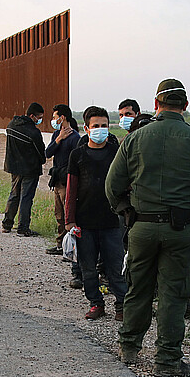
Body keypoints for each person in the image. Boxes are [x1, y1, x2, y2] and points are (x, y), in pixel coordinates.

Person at [106, 79, 190, 377]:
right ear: (185, 105)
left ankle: (129, 348)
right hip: (180, 230)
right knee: (174, 294)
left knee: (138, 288)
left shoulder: (135, 139)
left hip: (141, 227)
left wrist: (126, 211)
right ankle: (167, 360)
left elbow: (112, 186)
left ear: (156, 104)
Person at [66, 106, 127, 321]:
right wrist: (69, 220)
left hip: (112, 221)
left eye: (104, 126)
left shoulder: (117, 153)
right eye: (96, 126)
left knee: (116, 268)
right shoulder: (77, 155)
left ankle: (122, 305)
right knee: (88, 269)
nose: (100, 129)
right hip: (85, 222)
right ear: (87, 128)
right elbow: (71, 190)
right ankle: (96, 303)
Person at [2, 102, 45, 236]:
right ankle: (23, 227)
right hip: (30, 169)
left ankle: (7, 224)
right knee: (26, 198)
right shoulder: (34, 132)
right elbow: (41, 153)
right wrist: (41, 161)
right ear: (32, 116)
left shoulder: (11, 125)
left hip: (14, 167)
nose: (39, 120)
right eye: (39, 117)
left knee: (14, 194)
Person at [45, 104, 80, 255]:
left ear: (62, 117)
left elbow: (76, 160)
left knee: (68, 215)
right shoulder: (56, 135)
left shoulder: (75, 137)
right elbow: (48, 153)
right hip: (57, 181)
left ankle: (70, 247)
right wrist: (59, 139)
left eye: (55, 117)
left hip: (67, 182)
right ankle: (60, 245)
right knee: (59, 215)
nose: (53, 120)